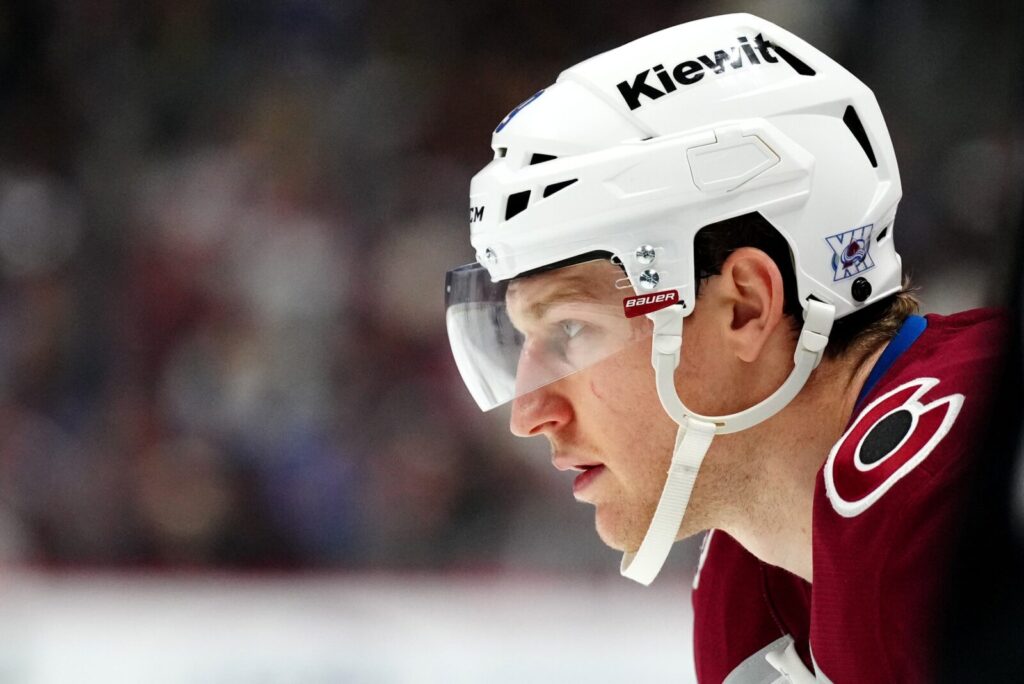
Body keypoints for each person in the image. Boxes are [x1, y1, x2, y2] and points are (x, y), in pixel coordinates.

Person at [443, 14, 1005, 683]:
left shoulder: (944, 506)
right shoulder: (755, 577)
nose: (528, 414)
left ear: (746, 307)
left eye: (570, 330)